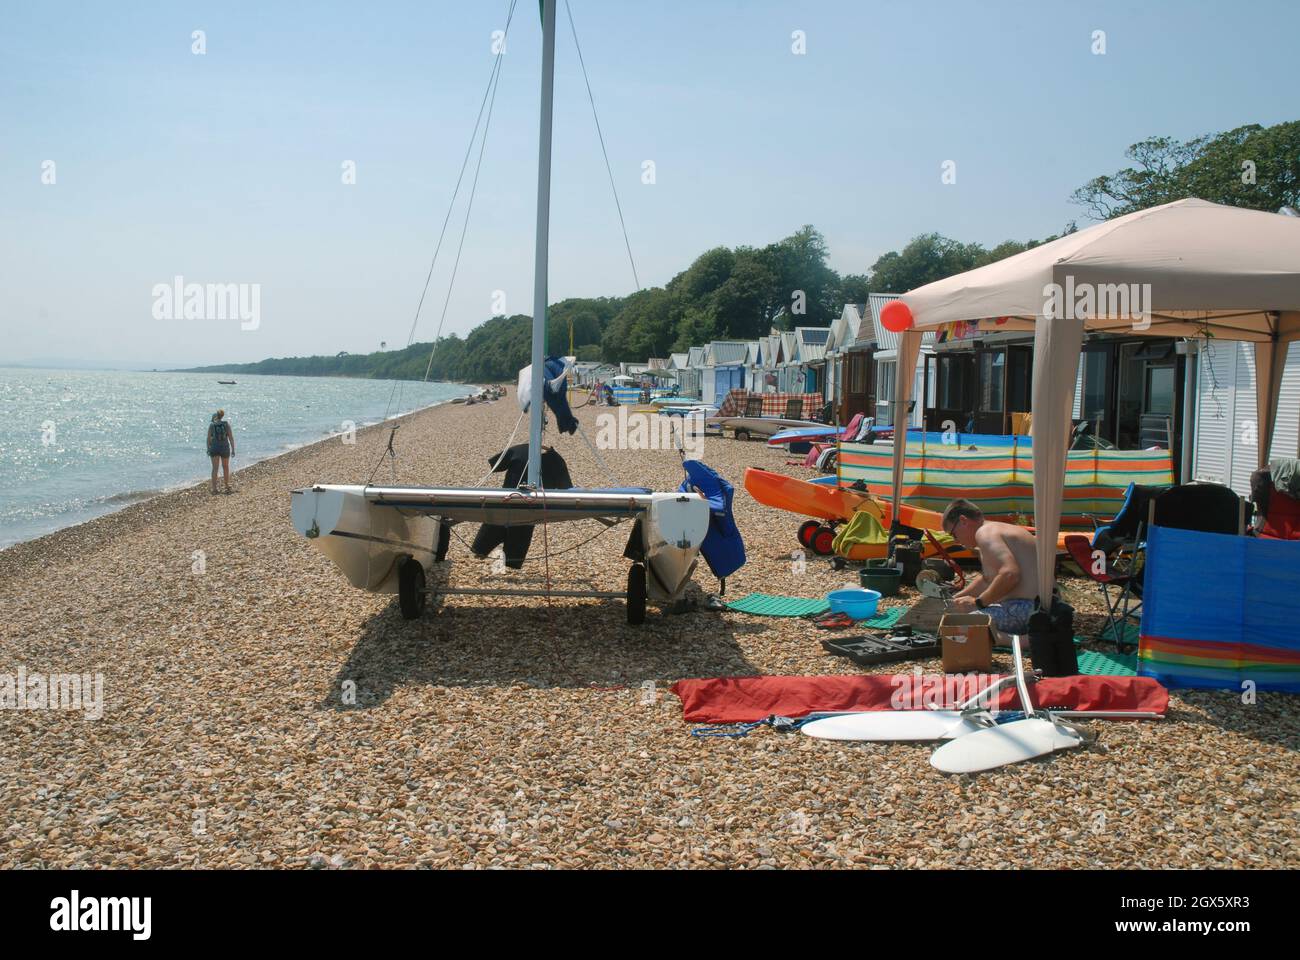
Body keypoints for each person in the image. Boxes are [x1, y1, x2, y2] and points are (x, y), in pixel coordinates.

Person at [940, 498, 1039, 634]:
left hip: (1031, 610)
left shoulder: (985, 533)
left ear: (963, 521)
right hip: (1041, 608)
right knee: (957, 618)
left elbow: (1010, 574)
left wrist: (978, 603)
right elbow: (987, 580)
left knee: (956, 625)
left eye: (953, 534)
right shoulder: (996, 529)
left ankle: (1007, 640)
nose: (956, 540)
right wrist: (955, 599)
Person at [207, 410, 236, 494]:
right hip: (224, 448)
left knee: (215, 468)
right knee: (225, 467)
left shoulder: (212, 425)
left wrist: (208, 449)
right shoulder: (226, 424)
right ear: (222, 416)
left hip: (214, 448)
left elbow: (208, 439)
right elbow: (231, 437)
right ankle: (226, 485)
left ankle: (214, 488)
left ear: (215, 417)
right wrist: (233, 449)